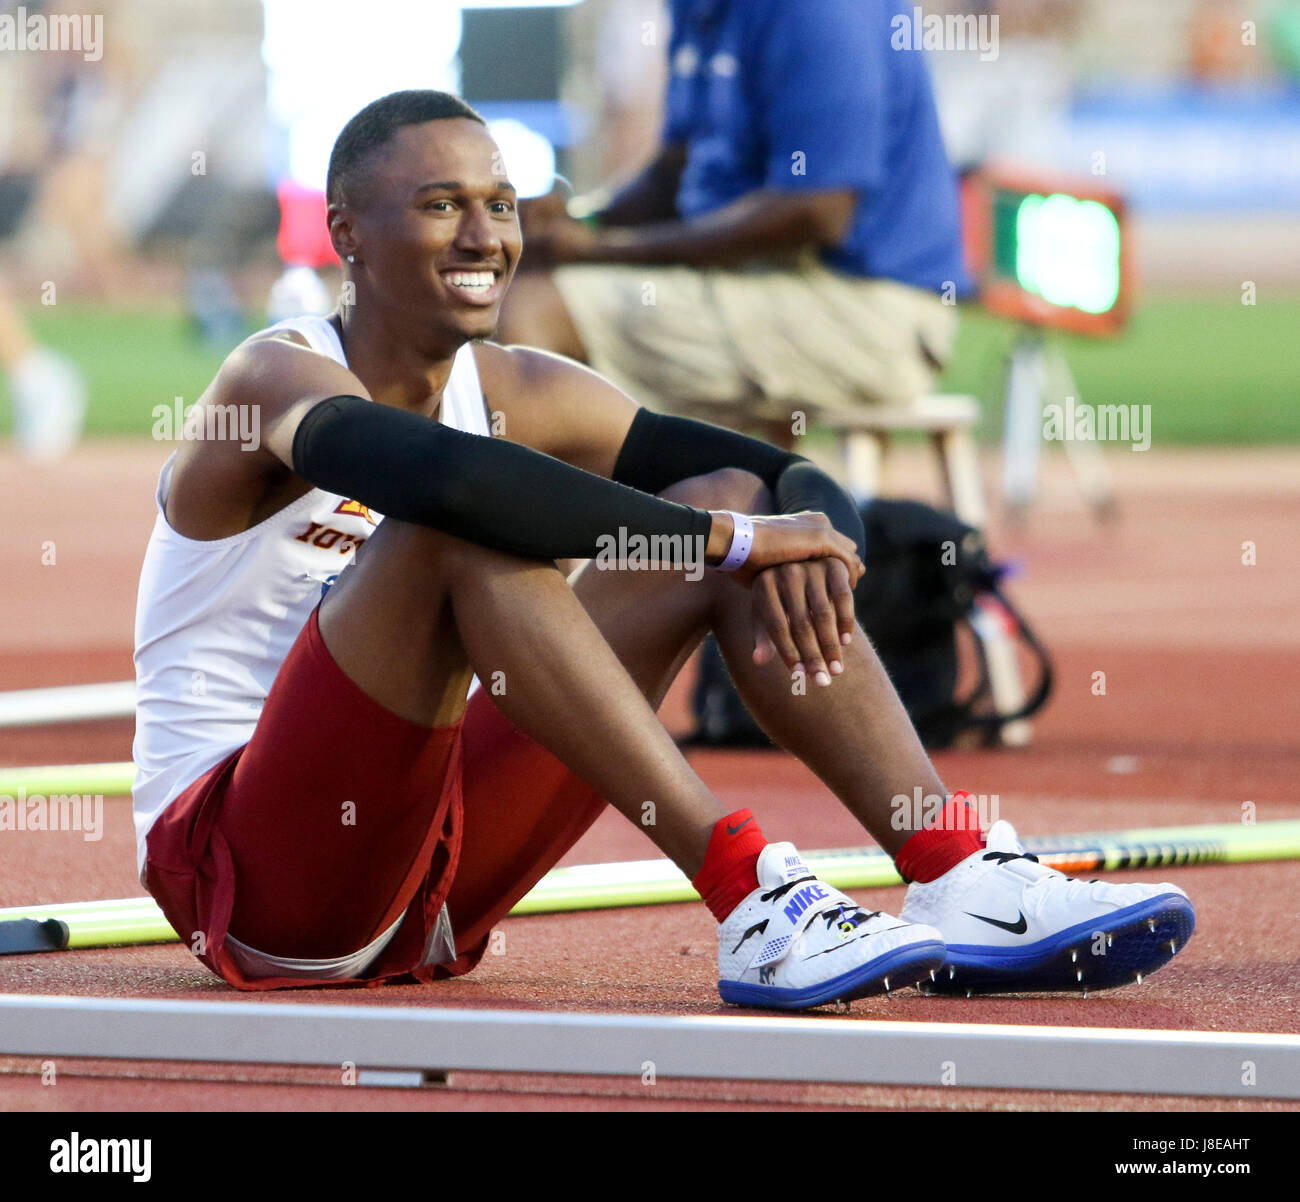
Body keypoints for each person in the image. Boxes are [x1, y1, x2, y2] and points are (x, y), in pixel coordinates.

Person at [131, 91, 1194, 1006]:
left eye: (498, 205)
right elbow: (448, 481)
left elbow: (779, 479)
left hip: (432, 873)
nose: (483, 236)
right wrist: (737, 538)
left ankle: (954, 866)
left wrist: (817, 541)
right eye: (439, 204)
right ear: (347, 232)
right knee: (472, 530)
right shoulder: (273, 376)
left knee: (725, 500)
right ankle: (753, 896)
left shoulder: (517, 387)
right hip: (252, 874)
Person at [498, 0, 969, 443]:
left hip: (870, 305)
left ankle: (532, 523)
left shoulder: (818, 10)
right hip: (774, 276)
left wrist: (596, 250)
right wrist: (582, 219)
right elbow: (675, 176)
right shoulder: (699, 7)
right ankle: (633, 510)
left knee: (530, 307)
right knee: (512, 279)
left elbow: (817, 212)